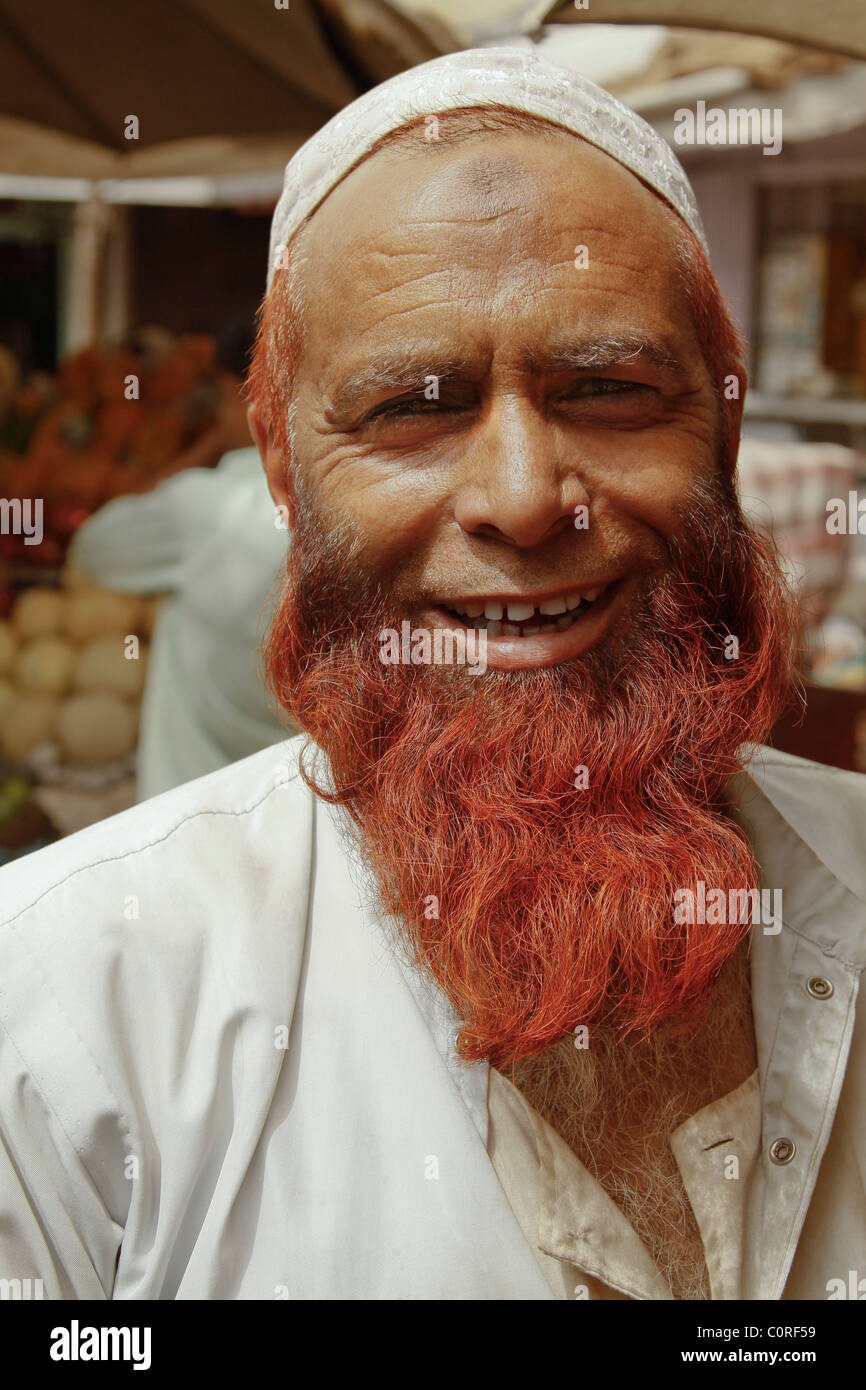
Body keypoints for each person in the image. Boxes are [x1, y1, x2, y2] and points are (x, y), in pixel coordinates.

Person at [1, 47, 864, 1302]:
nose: (521, 499)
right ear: (281, 466)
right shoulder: (61, 1013)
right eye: (412, 408)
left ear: (721, 425)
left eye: (610, 389)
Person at [68, 316, 292, 799]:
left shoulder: (206, 508)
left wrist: (211, 444)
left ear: (243, 399)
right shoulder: (359, 511)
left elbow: (94, 544)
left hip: (191, 822)